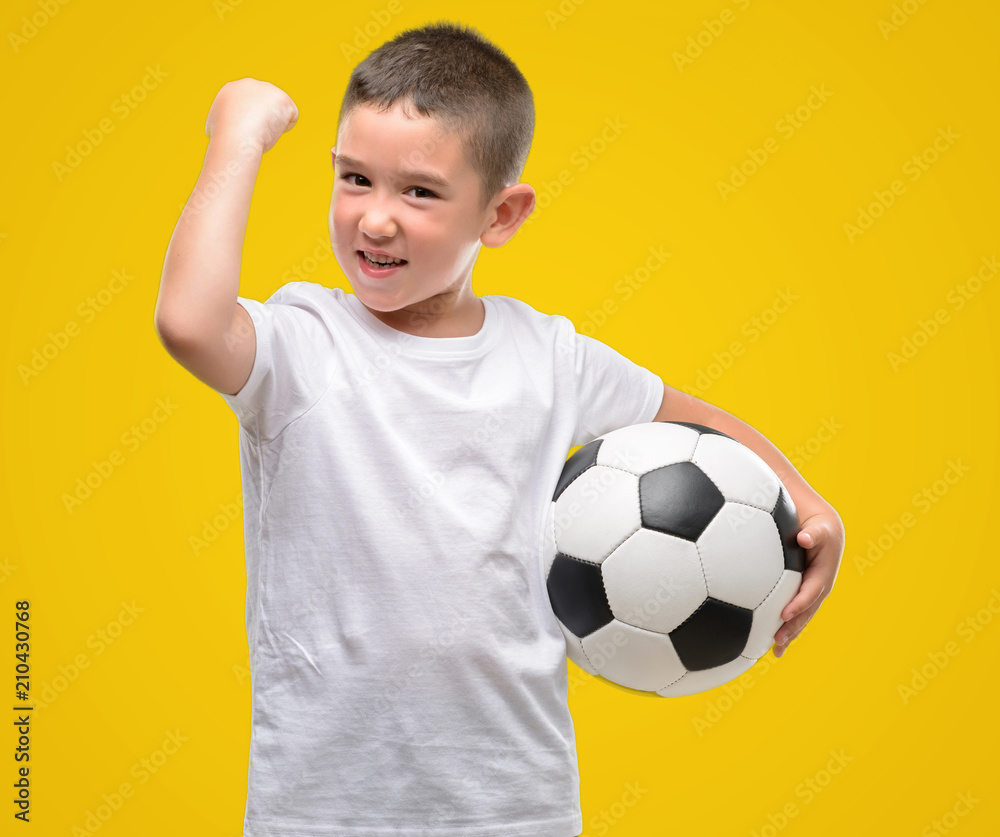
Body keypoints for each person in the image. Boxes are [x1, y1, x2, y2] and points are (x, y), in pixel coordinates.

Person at [153, 20, 845, 837]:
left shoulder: (548, 353)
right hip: (323, 807)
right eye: (354, 179)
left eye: (419, 192)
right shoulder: (305, 342)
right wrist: (239, 136)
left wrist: (806, 502)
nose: (375, 220)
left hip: (514, 802)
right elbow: (190, 321)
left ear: (502, 213)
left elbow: (696, 425)